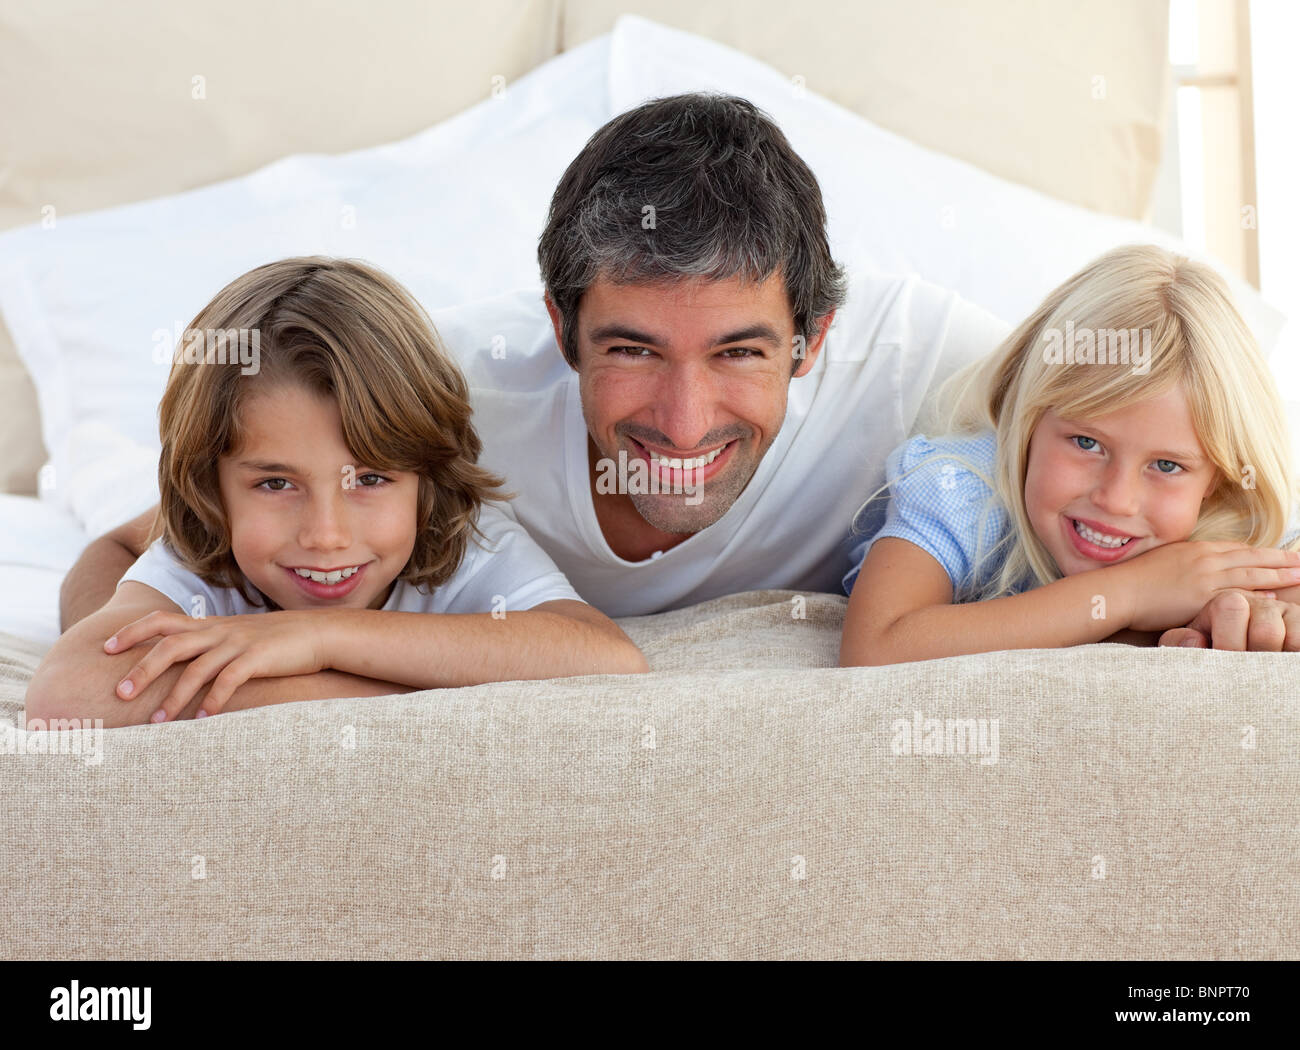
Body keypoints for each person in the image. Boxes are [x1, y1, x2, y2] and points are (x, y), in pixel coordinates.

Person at [56, 95, 1299, 718]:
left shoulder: (942, 365)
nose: (684, 417)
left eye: (743, 354)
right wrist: (190, 650)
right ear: (558, 329)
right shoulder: (426, 399)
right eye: (633, 350)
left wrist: (1202, 590)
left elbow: (1160, 436)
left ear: (815, 337)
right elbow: (130, 552)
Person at [25, 258, 647, 727]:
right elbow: (63, 697)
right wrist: (411, 684)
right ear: (213, 492)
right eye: (275, 483)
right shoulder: (201, 562)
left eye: (371, 479)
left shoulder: (465, 539)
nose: (326, 535)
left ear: (427, 482)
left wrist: (320, 640)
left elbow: (605, 657)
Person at [839, 245, 1300, 666]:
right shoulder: (960, 488)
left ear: (1217, 479)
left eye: (1166, 466)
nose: (1117, 500)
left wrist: (1242, 614)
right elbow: (875, 648)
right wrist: (1130, 594)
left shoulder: (1234, 527)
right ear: (1029, 418)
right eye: (1087, 443)